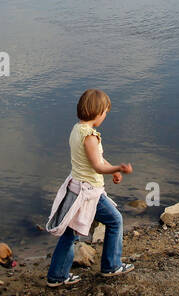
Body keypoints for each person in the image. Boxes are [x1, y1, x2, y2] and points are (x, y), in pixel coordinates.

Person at [45, 89, 134, 286]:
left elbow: (96, 158)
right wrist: (118, 167)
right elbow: (97, 166)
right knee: (115, 220)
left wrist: (112, 171)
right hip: (88, 193)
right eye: (105, 113)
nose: (105, 117)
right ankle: (111, 266)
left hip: (75, 188)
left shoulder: (77, 129)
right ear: (97, 112)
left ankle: (56, 276)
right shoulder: (90, 136)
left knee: (70, 232)